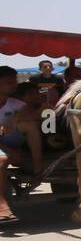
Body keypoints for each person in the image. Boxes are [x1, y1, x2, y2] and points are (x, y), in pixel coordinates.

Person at [0, 70, 47, 223]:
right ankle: (1, 205)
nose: (14, 85)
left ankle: (38, 166)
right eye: (9, 82)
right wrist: (8, 151)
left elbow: (41, 111)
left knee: (30, 125)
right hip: (4, 147)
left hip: (10, 142)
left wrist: (17, 118)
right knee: (2, 160)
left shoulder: (15, 104)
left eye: (14, 81)